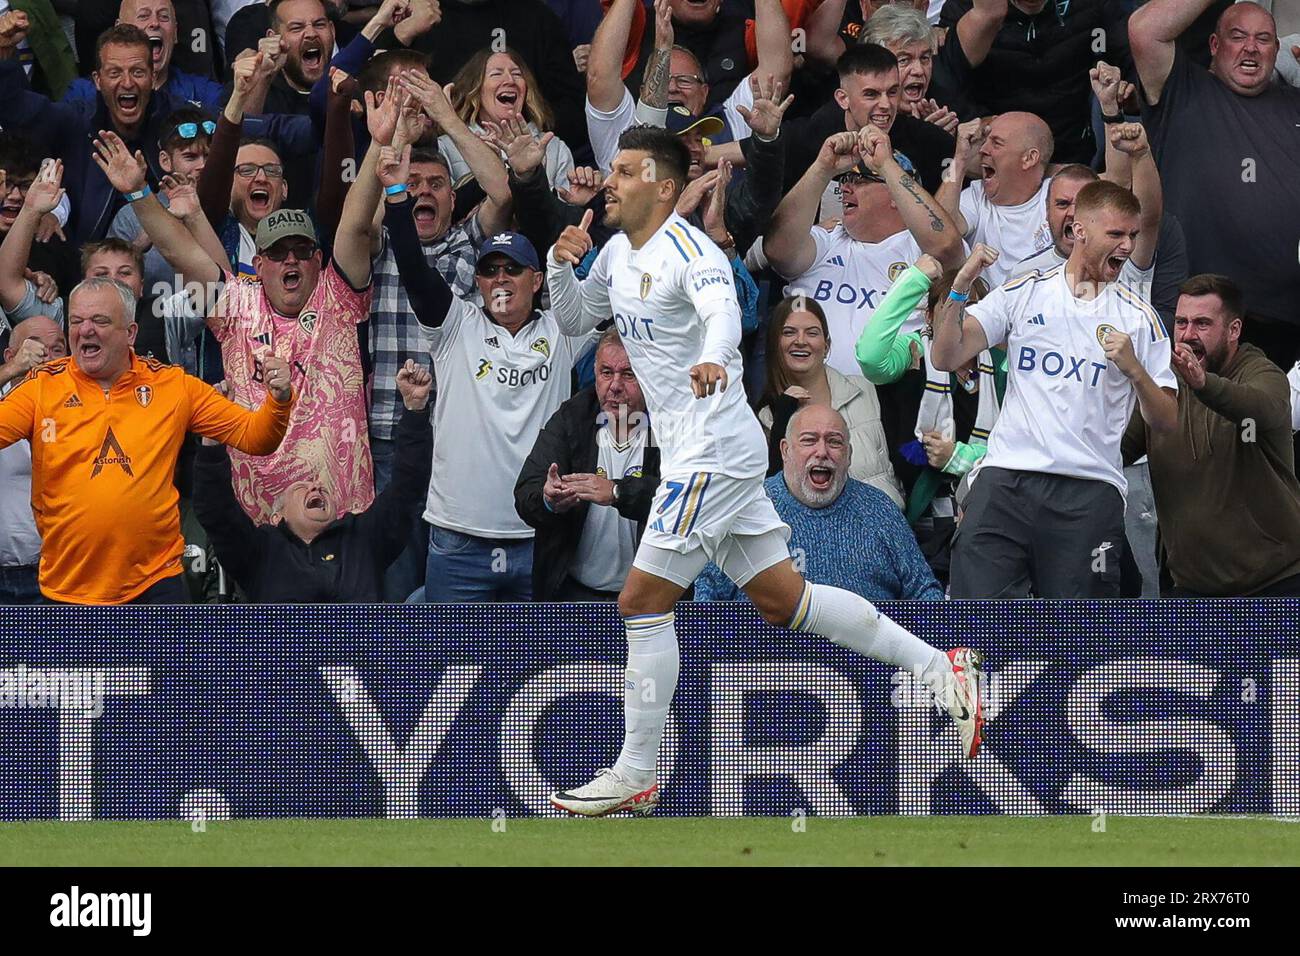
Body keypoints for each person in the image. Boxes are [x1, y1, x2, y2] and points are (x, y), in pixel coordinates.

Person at [544, 124, 983, 817]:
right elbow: (574, 319)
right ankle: (939, 667)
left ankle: (635, 773)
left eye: (625, 172)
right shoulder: (615, 256)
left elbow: (721, 312)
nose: (610, 182)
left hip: (709, 453)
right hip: (710, 454)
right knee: (788, 602)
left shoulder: (693, 254)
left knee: (639, 604)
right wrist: (557, 265)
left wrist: (718, 355)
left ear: (663, 185)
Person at [100, 95, 382, 523]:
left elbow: (356, 223)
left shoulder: (338, 299)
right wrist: (138, 191)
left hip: (346, 512)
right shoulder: (236, 304)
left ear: (318, 260)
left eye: (301, 251)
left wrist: (380, 142)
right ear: (259, 262)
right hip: (261, 521)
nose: (291, 260)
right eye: (278, 252)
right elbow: (179, 253)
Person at [932, 182, 1179, 598]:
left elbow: (1167, 421)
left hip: (1089, 489)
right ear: (1080, 231)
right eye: (1116, 234)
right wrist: (961, 284)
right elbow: (946, 354)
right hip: (1006, 479)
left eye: (1132, 236)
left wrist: (1135, 370)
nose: (1127, 245)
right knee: (976, 617)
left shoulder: (1140, 318)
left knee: (1075, 641)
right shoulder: (1024, 292)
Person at [379, 135, 594, 603]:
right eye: (490, 270)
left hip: (538, 535)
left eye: (512, 270)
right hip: (459, 537)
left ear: (536, 281)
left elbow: (606, 282)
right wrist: (397, 196)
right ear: (477, 281)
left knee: (537, 676)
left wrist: (577, 216)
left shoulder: (565, 330)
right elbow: (414, 268)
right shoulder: (457, 325)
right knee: (447, 671)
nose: (500, 279)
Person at [0, 276, 295, 605]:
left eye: (100, 321)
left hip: (156, 586)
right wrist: (9, 370)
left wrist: (279, 400)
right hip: (66, 590)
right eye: (77, 321)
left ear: (131, 334)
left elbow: (256, 437)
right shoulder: (42, 388)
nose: (85, 330)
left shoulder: (172, 386)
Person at [1130, 0, 1300, 375]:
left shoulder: (1294, 104)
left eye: (1263, 39)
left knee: (1273, 431)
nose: (1250, 47)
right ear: (1213, 45)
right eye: (1237, 37)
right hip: (1195, 318)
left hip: (1283, 323)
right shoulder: (1183, 91)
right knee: (1193, 432)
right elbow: (1145, 30)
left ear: (1277, 49)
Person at [194, 361, 434, 603]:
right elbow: (216, 510)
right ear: (278, 516)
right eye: (301, 487)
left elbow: (408, 486)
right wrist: (215, 434)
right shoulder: (261, 552)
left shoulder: (364, 537)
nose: (315, 486)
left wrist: (415, 410)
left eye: (320, 487)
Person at [1123, 274, 1300, 597]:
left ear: (1234, 330)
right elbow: (1116, 450)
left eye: (1202, 324)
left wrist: (1204, 384)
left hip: (1277, 584)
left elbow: (1264, 409)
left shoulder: (1262, 373)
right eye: (1181, 323)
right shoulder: (1163, 382)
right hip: (1191, 588)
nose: (1188, 335)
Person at [765, 124, 963, 376]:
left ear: (896, 193)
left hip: (885, 402)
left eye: (859, 180)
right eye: (845, 179)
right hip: (799, 396)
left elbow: (948, 249)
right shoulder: (827, 237)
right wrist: (822, 168)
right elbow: (777, 251)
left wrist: (885, 164)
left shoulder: (922, 250)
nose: (845, 187)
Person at [694, 403, 942, 601]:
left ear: (849, 454)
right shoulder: (746, 511)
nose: (822, 452)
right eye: (809, 440)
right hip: (769, 662)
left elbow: (924, 591)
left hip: (866, 661)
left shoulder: (880, 509)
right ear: (785, 451)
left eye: (834, 441)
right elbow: (708, 599)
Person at [854, 252, 1001, 583]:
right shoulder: (913, 352)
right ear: (930, 318)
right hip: (915, 518)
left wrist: (958, 458)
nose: (957, 321)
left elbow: (1016, 450)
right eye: (948, 309)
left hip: (983, 517)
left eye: (969, 311)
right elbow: (870, 356)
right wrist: (915, 280)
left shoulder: (1004, 369)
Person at [515, 330, 662, 601]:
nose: (615, 385)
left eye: (628, 374)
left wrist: (618, 493)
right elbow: (525, 493)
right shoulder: (573, 417)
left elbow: (687, 499)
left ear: (650, 376)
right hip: (573, 593)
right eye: (606, 373)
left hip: (648, 599)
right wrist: (548, 499)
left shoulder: (670, 423)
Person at [0, 24, 179, 245]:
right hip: (85, 264)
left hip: (165, 256)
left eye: (138, 72)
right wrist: (3, 57)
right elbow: (14, 109)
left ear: (153, 78)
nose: (127, 82)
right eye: (115, 73)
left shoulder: (177, 123)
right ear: (97, 80)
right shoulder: (75, 121)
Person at [935, 0, 1134, 164]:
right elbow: (948, 82)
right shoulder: (966, 9)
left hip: (1072, 156)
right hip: (994, 158)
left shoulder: (1095, 7)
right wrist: (981, 122)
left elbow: (1127, 68)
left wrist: (1129, 93)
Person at [758, 295, 903, 507]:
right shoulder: (767, 416)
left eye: (812, 333)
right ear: (775, 344)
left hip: (881, 522)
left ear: (826, 345)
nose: (800, 340)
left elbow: (902, 457)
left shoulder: (866, 389)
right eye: (789, 332)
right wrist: (784, 416)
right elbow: (775, 494)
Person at [936, 111, 1056, 288]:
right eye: (985, 141)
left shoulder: (1058, 196)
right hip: (985, 312)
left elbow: (1110, 183)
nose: (984, 150)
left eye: (997, 143)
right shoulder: (977, 196)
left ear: (1029, 158)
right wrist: (960, 159)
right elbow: (937, 231)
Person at [444, 47, 575, 193]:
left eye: (517, 74)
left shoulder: (554, 148)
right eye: (496, 74)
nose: (510, 80)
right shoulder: (447, 147)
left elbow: (566, 211)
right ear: (476, 89)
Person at [0, 314, 64, 605]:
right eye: (35, 348)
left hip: (55, 574)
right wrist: (13, 370)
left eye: (58, 349)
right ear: (10, 355)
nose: (46, 358)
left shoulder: (84, 409)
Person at [62, 1, 223, 113]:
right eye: (143, 16)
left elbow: (238, 122)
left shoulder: (203, 92)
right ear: (120, 30)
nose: (155, 23)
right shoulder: (82, 94)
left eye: (164, 17)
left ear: (175, 33)